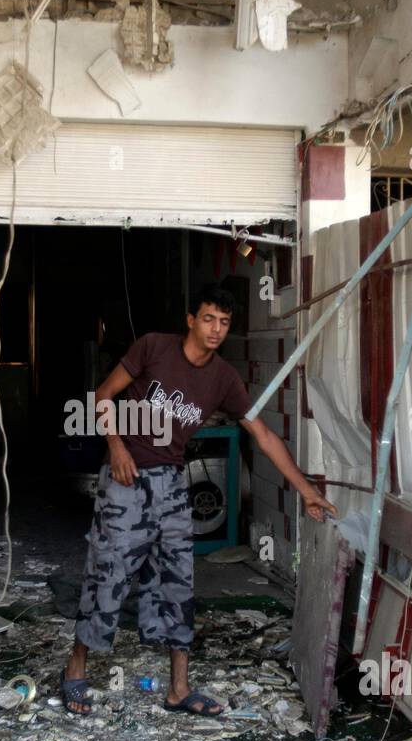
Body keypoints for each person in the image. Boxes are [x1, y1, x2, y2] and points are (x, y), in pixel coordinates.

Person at [61, 284, 338, 716]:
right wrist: (115, 446)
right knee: (108, 572)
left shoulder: (224, 379)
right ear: (191, 320)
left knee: (178, 580)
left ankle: (178, 689)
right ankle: (75, 671)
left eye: (224, 323)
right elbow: (102, 395)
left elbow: (262, 434)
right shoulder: (153, 347)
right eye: (208, 319)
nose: (216, 329)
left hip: (170, 483)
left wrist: (306, 491)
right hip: (125, 478)